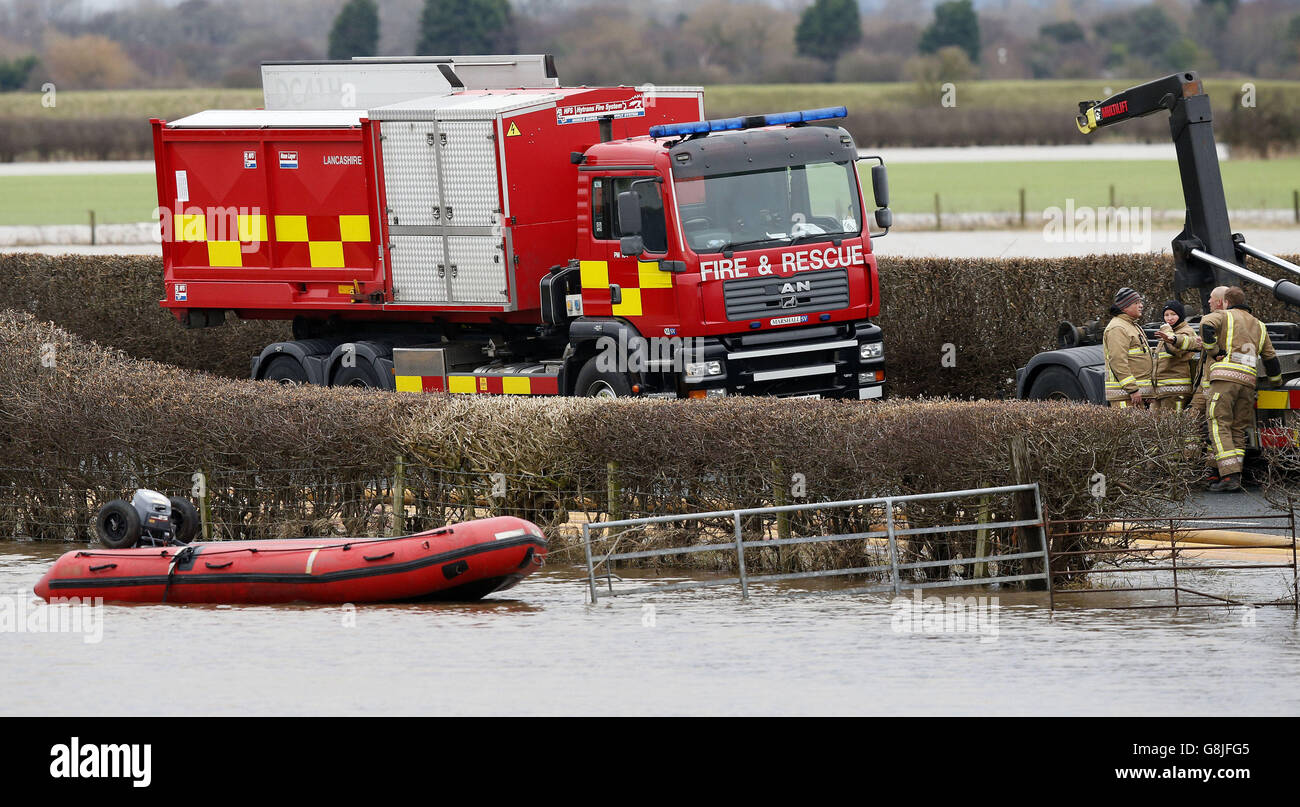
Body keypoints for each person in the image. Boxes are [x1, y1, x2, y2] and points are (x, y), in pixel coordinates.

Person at [1198, 286, 1282, 492]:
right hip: (1248, 382)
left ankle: (1228, 475)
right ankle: (1234, 475)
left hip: (1224, 378)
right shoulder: (1260, 325)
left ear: (1226, 302)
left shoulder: (1224, 316)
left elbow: (1205, 324)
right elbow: (1270, 358)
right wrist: (1276, 381)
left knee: (1218, 424)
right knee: (1237, 428)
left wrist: (1214, 351)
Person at [1103, 287, 1153, 408]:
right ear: (1125, 307)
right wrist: (1132, 389)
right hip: (1125, 396)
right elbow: (1118, 361)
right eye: (1136, 303)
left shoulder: (1131, 325)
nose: (1141, 306)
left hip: (1135, 396)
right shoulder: (1118, 328)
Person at [1152, 300, 1197, 410]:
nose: (1169, 318)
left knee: (1173, 426)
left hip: (1177, 390)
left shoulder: (1186, 331)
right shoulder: (1169, 332)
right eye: (1166, 315)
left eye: (1173, 314)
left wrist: (1167, 332)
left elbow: (1174, 350)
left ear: (1181, 316)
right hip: (1161, 392)